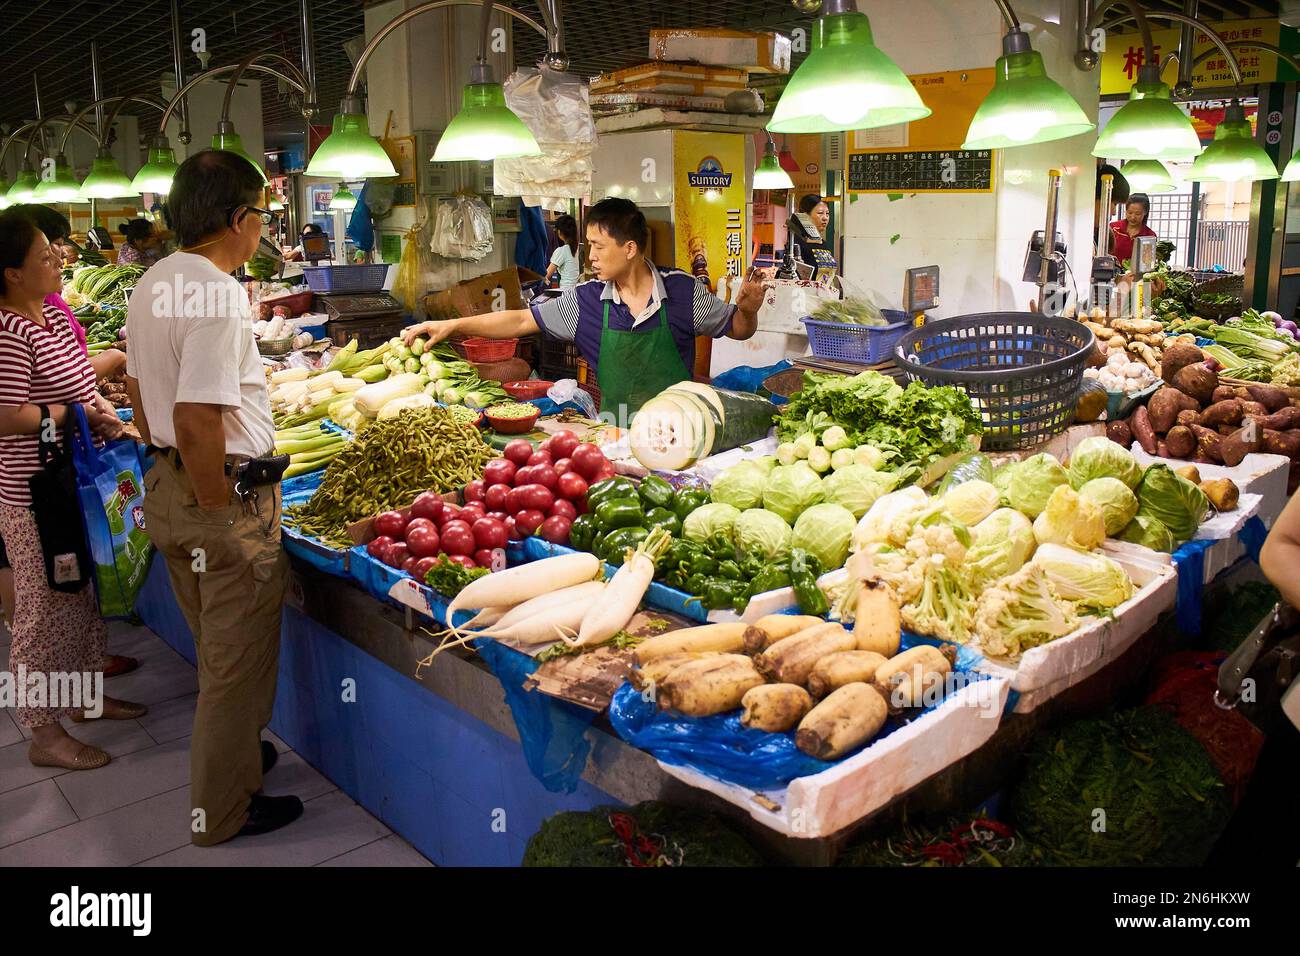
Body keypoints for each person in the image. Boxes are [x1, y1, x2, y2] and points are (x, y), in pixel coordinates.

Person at [124, 150, 301, 845]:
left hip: (168, 488)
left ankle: (239, 759)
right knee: (233, 669)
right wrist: (221, 511)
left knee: (217, 649)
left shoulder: (156, 280)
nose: (263, 227)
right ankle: (222, 813)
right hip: (219, 497)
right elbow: (198, 416)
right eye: (262, 214)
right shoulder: (218, 292)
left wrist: (167, 462)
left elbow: (142, 391)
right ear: (238, 219)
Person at [401, 197, 764, 421]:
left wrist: (747, 310)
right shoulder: (587, 300)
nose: (589, 256)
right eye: (587, 245)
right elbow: (521, 318)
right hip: (614, 438)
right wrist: (452, 326)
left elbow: (738, 329)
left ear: (630, 249)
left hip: (682, 434)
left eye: (598, 246)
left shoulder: (683, 291)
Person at [0, 209, 145, 770]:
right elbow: (8, 416)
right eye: (43, 255)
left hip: (77, 483)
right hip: (35, 495)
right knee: (41, 610)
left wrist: (103, 413)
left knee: (82, 596)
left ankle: (83, 699)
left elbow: (82, 383)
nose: (58, 257)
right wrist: (66, 416)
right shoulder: (8, 331)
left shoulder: (54, 321)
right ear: (11, 274)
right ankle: (43, 733)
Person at [1108, 193, 1156, 269]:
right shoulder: (1113, 228)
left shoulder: (1149, 236)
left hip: (1134, 278)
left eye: (1138, 214)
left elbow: (1147, 265)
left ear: (1145, 212)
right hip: (1110, 274)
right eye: (1129, 212)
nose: (1133, 217)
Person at [796, 194, 838, 281]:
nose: (825, 218)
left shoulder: (823, 243)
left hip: (826, 293)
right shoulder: (797, 243)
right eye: (820, 213)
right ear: (805, 216)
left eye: (827, 214)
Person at [545, 215, 581, 290]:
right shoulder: (577, 248)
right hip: (576, 290)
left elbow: (547, 275)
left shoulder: (562, 251)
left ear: (559, 232)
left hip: (565, 292)